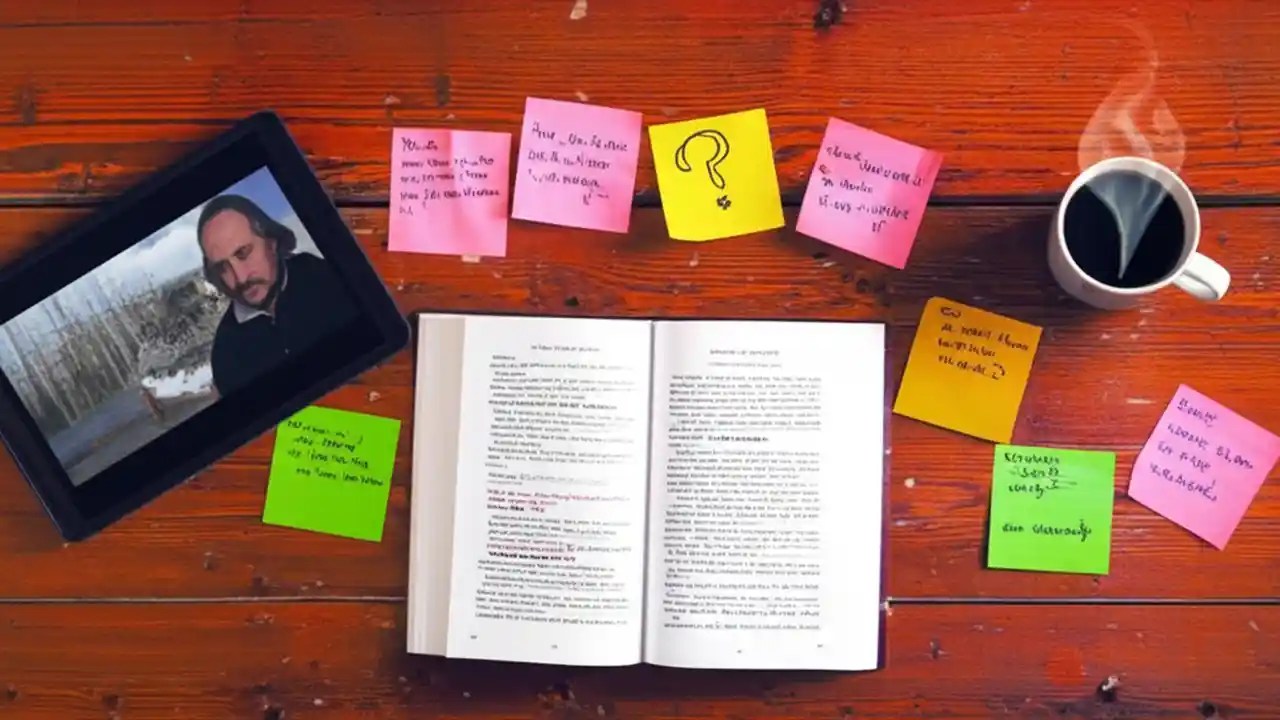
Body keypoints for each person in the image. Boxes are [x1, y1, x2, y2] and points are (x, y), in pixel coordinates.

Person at [196, 194, 355, 396]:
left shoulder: (331, 278)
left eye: (243, 253)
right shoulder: (226, 353)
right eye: (223, 267)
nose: (241, 278)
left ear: (271, 242)